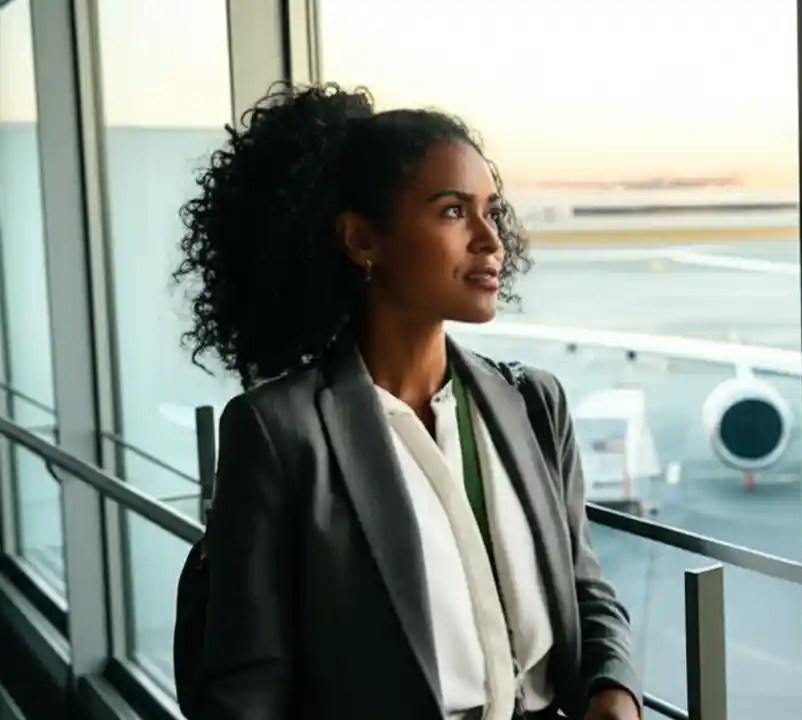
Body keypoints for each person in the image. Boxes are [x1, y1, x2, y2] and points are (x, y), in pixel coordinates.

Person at [172, 82, 642, 720]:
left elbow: (586, 588)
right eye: (453, 211)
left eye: (490, 210)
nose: (491, 239)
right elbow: (246, 688)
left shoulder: (533, 404)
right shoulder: (279, 432)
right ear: (362, 240)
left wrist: (614, 689)